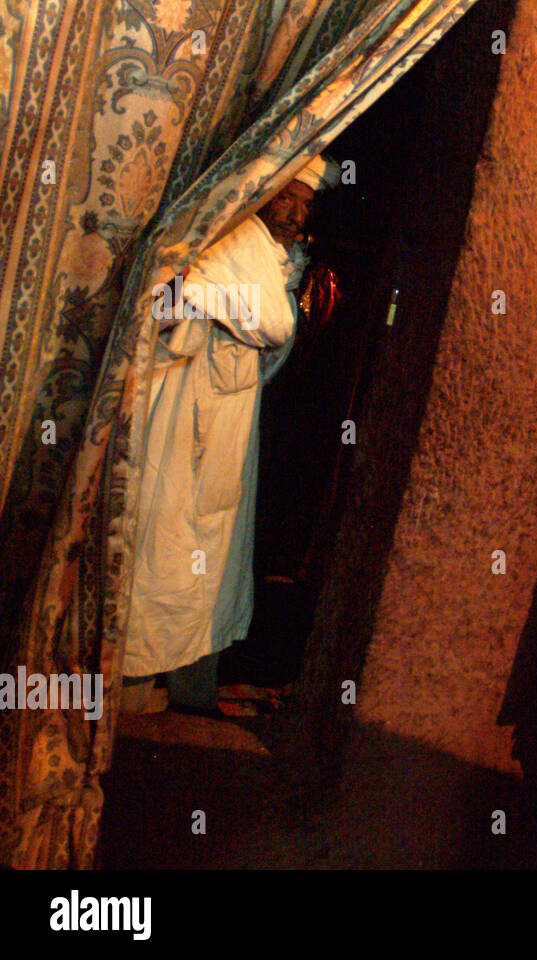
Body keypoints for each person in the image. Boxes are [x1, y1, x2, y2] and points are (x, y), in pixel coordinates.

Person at [121, 155, 341, 714]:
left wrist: (205, 296)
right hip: (178, 415)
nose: (293, 213)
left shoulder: (276, 258)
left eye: (305, 202)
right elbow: (272, 322)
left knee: (205, 556)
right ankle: (127, 680)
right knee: (158, 543)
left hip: (226, 426)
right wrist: (196, 295)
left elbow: (275, 337)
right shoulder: (235, 238)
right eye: (285, 197)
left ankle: (177, 684)